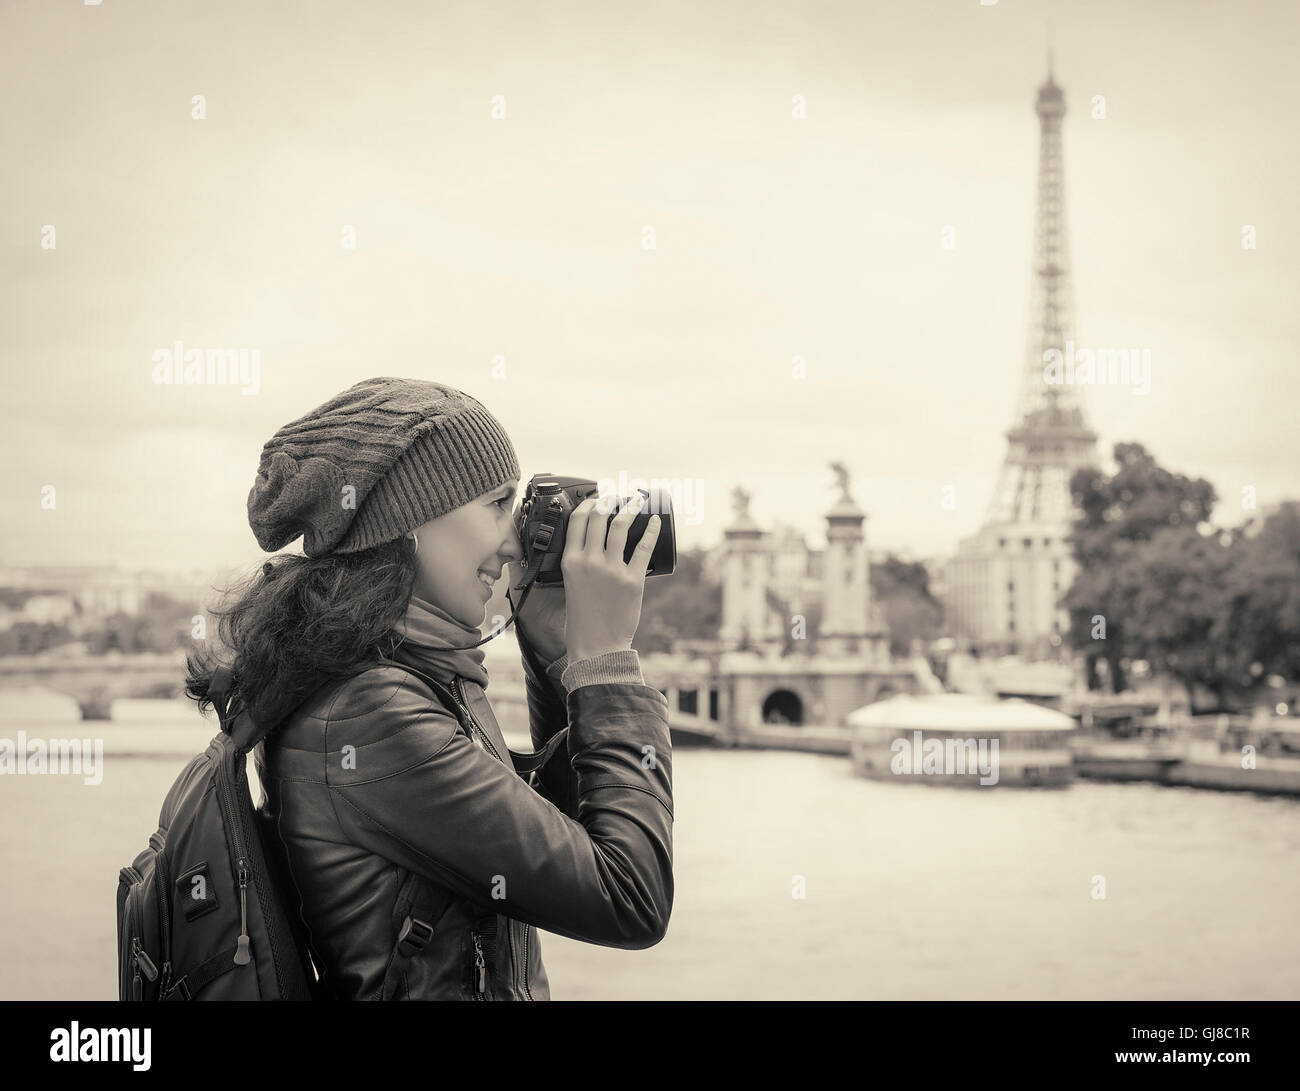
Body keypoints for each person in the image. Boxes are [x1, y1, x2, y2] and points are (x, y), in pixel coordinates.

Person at [184, 377, 673, 1000]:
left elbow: (557, 841)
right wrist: (606, 662)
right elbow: (629, 897)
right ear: (411, 521)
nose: (516, 541)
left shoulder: (422, 673)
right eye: (498, 504)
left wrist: (555, 658)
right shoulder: (370, 713)